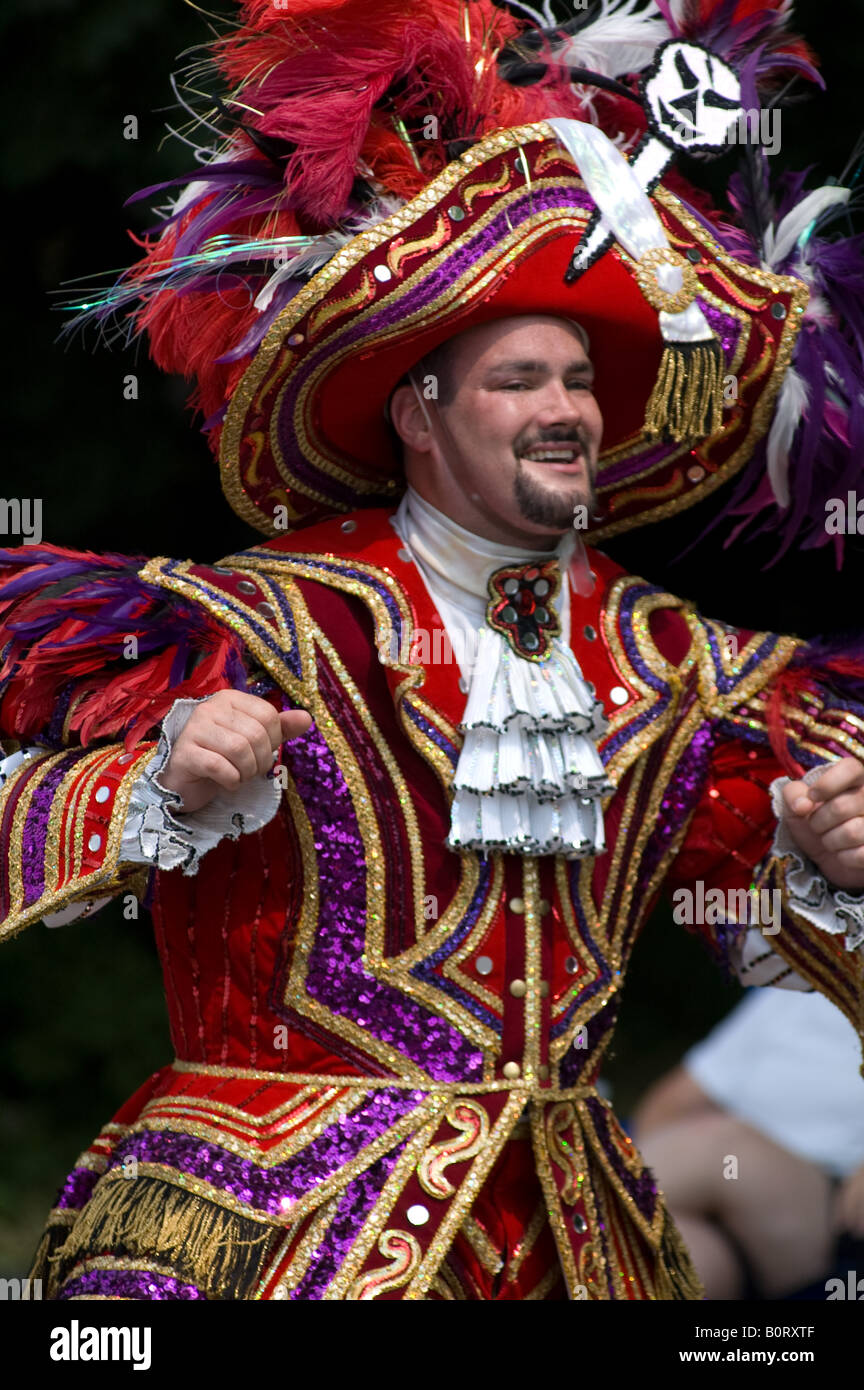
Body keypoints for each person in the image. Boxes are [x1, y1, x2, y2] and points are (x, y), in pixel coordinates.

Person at [2, 0, 864, 1301]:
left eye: (582, 381)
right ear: (418, 411)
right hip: (262, 1241)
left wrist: (829, 864)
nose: (568, 409)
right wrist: (160, 787)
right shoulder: (253, 623)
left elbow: (751, 913)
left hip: (571, 1251)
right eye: (522, 379)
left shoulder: (686, 663)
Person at [632, 987, 864, 1299]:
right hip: (716, 1208)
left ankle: (575, 1198)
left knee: (720, 1148)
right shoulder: (801, 990)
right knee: (672, 1250)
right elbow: (671, 1104)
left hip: (828, 1208)